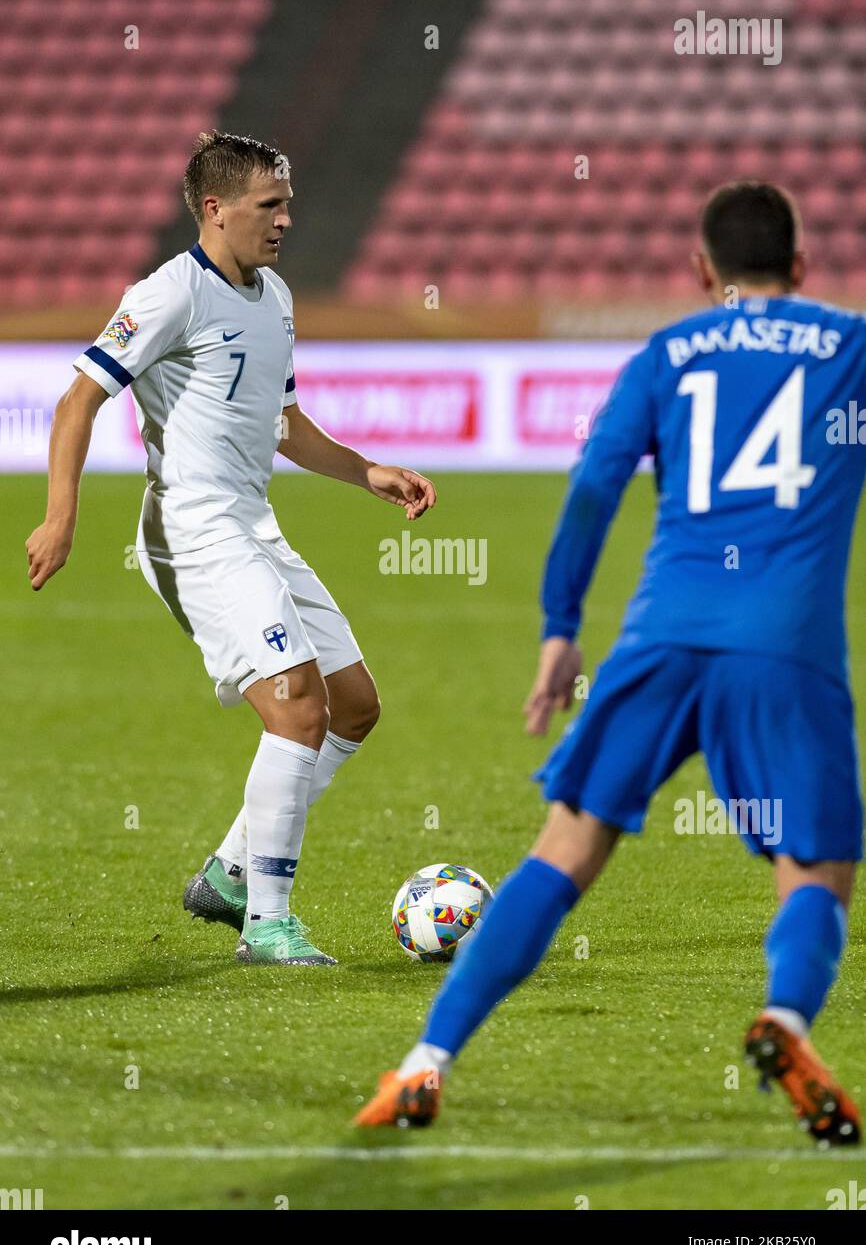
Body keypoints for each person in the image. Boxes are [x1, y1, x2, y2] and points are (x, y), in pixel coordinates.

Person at [356, 181, 862, 1143]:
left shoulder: (669, 352)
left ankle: (425, 1064)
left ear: (702, 272)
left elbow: (593, 482)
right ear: (800, 268)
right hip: (788, 647)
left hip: (662, 633)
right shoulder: (849, 347)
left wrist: (559, 625)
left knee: (565, 850)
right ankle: (786, 1019)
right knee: (815, 869)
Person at [26, 130, 436, 967]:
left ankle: (228, 872)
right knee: (295, 703)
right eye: (270, 204)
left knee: (353, 704)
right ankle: (266, 923)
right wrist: (59, 516)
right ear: (214, 211)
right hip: (194, 531)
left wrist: (368, 472)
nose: (287, 218)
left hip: (253, 525)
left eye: (287, 201)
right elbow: (76, 403)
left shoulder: (276, 295)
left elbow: (282, 423)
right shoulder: (169, 294)